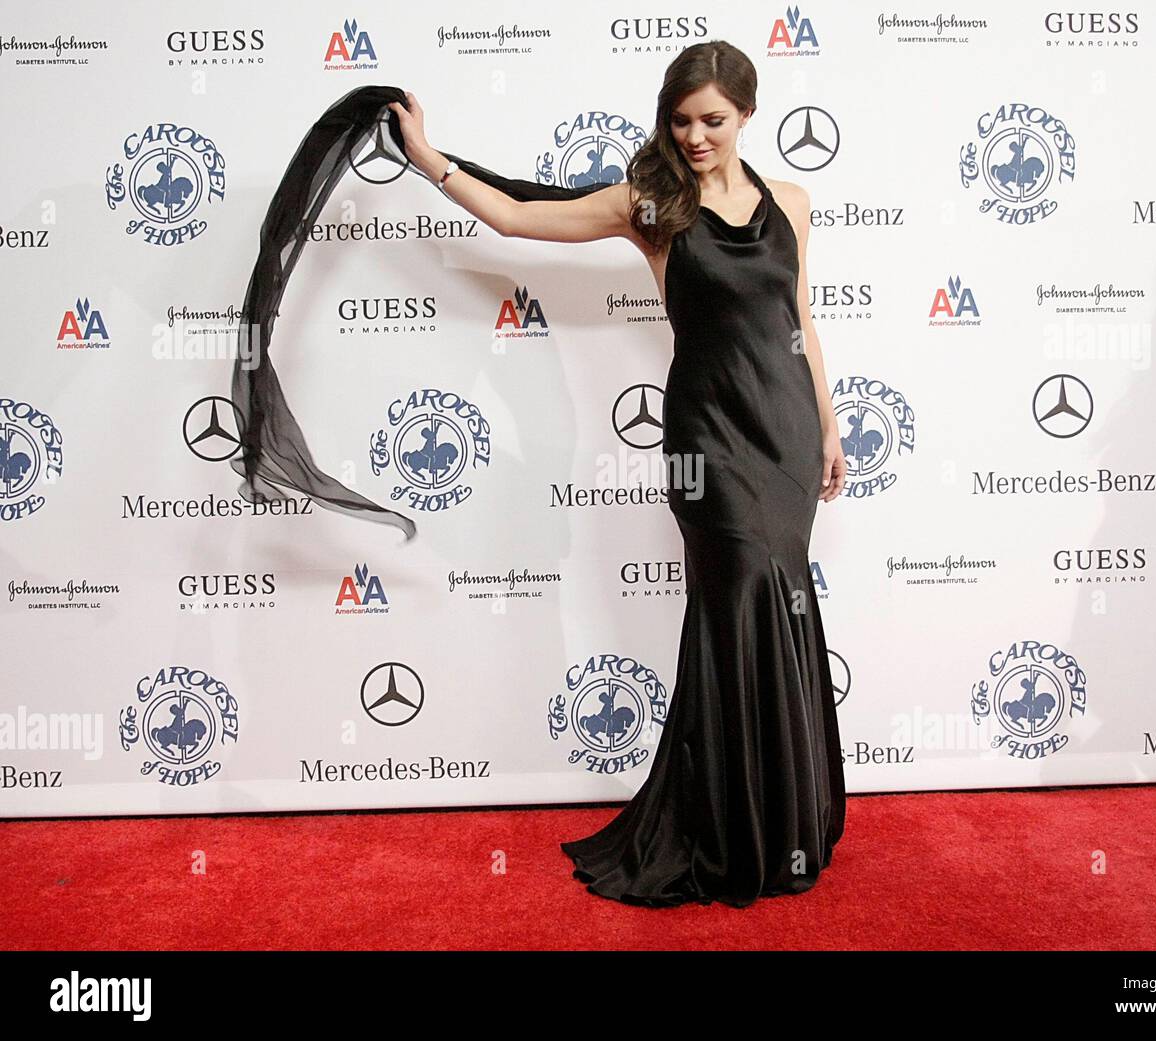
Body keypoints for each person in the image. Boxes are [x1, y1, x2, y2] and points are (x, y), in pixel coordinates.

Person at [232, 41, 846, 908]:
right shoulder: (652, 206)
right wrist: (430, 159)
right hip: (708, 437)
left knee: (779, 600)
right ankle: (726, 829)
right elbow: (520, 216)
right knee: (734, 597)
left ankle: (783, 824)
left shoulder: (793, 202)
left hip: (783, 432)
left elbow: (802, 321)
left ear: (746, 112)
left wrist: (825, 423)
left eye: (713, 119)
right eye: (681, 120)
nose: (697, 135)